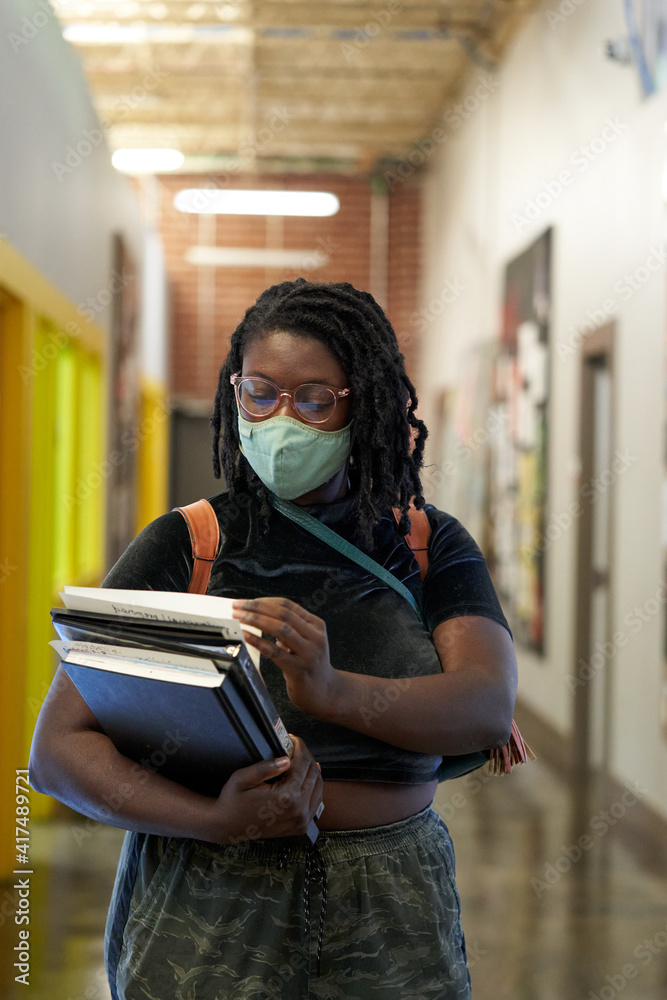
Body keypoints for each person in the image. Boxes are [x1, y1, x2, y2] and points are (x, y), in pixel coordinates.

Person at [30, 278, 518, 1000]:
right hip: (208, 894)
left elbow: (482, 706)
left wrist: (331, 690)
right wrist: (215, 820)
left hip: (388, 901)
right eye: (259, 393)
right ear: (235, 391)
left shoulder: (421, 544)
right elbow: (58, 751)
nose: (281, 421)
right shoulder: (187, 545)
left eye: (314, 400)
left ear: (365, 402)